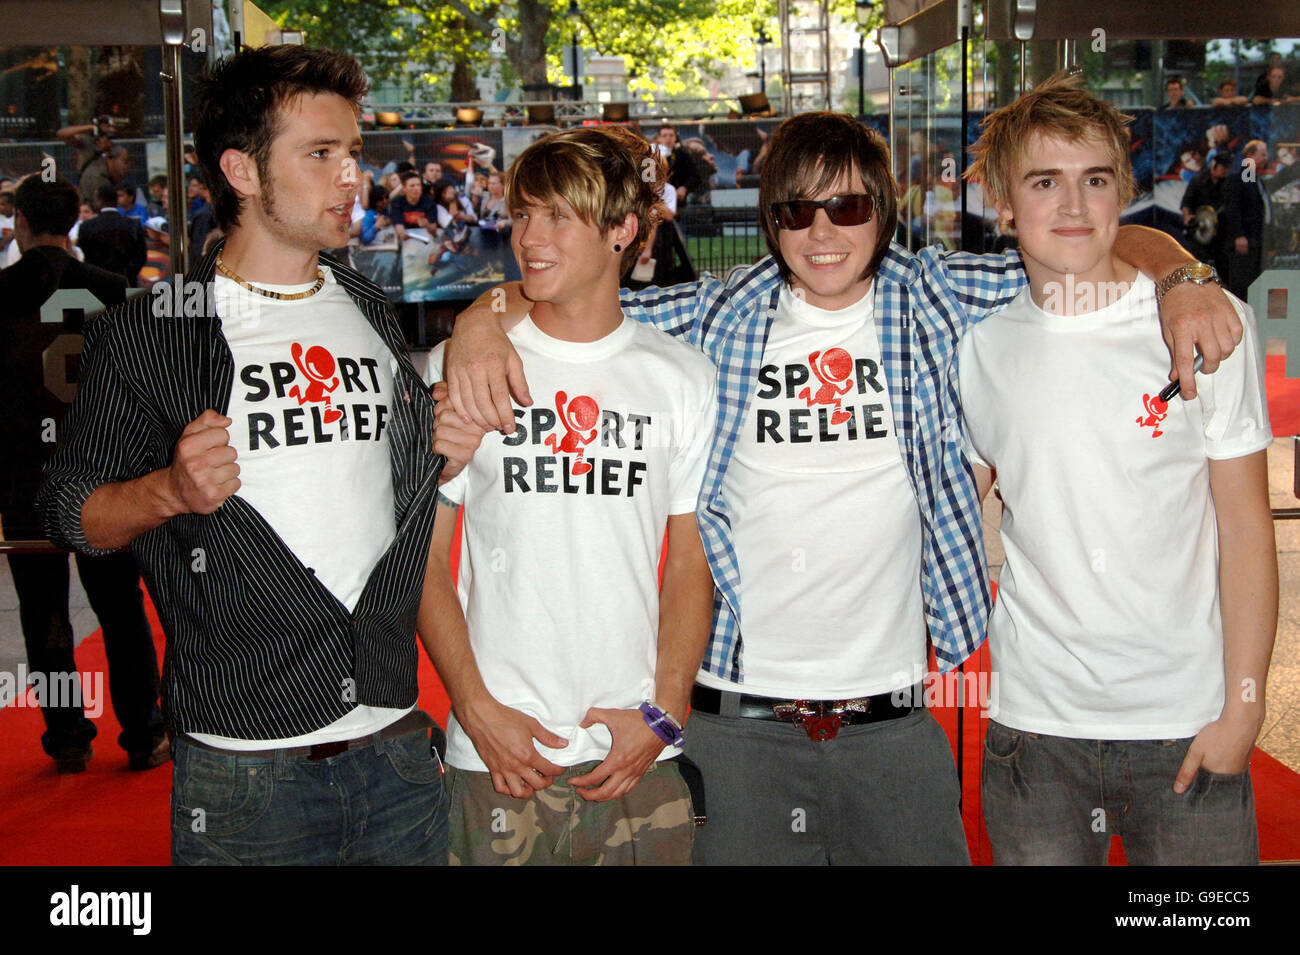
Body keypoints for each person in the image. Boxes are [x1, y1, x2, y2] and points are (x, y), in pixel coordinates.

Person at [441, 111, 1241, 865]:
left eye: (849, 206)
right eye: (797, 211)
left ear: (884, 213)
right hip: (737, 721)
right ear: (773, 222)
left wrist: (1186, 276)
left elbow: (1088, 240)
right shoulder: (719, 312)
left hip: (891, 725)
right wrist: (483, 315)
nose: (823, 232)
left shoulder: (937, 297)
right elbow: (578, 292)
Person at [38, 44, 448, 866]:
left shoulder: (366, 303)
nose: (350, 178)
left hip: (398, 749)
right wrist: (167, 490)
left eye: (354, 154)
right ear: (243, 170)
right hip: (244, 776)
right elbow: (69, 512)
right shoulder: (157, 328)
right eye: (320, 154)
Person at [958, 70, 1275, 865]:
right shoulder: (977, 349)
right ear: (1003, 202)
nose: (1073, 206)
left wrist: (1244, 709)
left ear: (1124, 191)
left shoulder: (1210, 324)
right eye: (1044, 182)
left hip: (1187, 723)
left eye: (1094, 180)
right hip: (1035, 734)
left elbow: (1244, 527)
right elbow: (957, 503)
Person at [418, 125, 716, 865]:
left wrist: (666, 711)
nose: (530, 237)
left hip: (633, 745)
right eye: (522, 214)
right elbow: (421, 561)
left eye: (559, 216)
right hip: (498, 750)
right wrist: (474, 708)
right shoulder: (464, 364)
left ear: (621, 230)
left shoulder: (681, 376)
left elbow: (690, 561)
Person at [1, 175, 166, 774]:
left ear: (20, 221)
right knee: (121, 609)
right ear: (72, 223)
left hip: (25, 480)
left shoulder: (1, 293)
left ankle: (68, 735)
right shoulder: (111, 290)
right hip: (104, 479)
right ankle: (144, 732)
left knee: (42, 615)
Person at [76, 183, 146, 286]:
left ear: (100, 200)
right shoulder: (133, 225)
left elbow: (84, 254)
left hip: (97, 284)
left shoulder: (86, 226)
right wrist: (126, 275)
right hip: (127, 285)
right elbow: (141, 256)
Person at [389, 169, 438, 242]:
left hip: (425, 238)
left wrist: (427, 225)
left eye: (418, 185)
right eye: (412, 186)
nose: (416, 188)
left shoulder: (429, 202)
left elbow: (433, 229)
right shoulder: (397, 202)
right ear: (404, 188)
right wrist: (403, 234)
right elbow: (399, 228)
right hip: (406, 240)